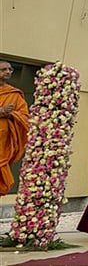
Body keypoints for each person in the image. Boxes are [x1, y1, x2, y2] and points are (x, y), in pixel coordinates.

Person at [0, 61, 30, 195]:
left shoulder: (15, 94)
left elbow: (25, 118)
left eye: (10, 69)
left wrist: (11, 114)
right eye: (3, 70)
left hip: (3, 144)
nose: (8, 72)